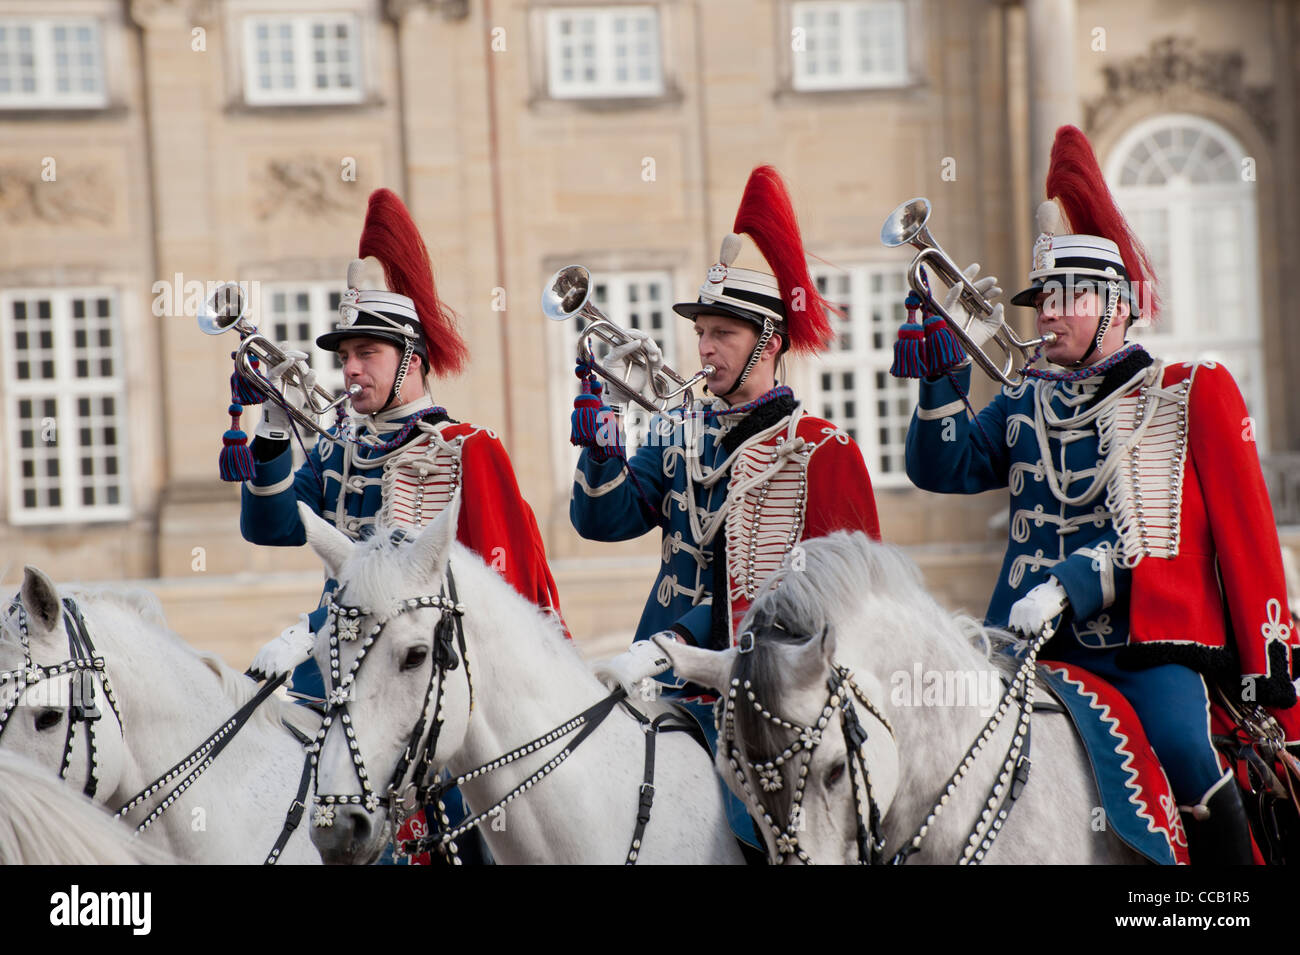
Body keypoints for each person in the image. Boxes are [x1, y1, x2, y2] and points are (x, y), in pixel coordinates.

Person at [903, 125, 1299, 863]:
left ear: (1114, 304)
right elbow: (942, 467)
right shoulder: (1025, 399)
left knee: (1186, 750)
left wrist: (1070, 585)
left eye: (1063, 297)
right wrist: (937, 363)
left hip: (1138, 647)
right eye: (1041, 298)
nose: (1044, 312)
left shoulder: (1177, 396)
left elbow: (1190, 538)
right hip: (1017, 643)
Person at [236, 187, 563, 861]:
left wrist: (311, 631)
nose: (351, 370)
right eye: (345, 356)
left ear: (410, 359)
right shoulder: (337, 448)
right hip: (334, 686)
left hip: (425, 702)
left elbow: (509, 597)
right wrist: (270, 426)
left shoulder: (468, 450)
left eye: (368, 354)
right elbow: (270, 526)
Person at [570, 166, 881, 797]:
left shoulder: (820, 449)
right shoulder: (679, 429)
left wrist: (688, 632)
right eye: (702, 334)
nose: (705, 349)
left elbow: (842, 608)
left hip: (766, 696)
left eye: (723, 334)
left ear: (768, 340)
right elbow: (602, 522)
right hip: (662, 676)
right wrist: (602, 447)